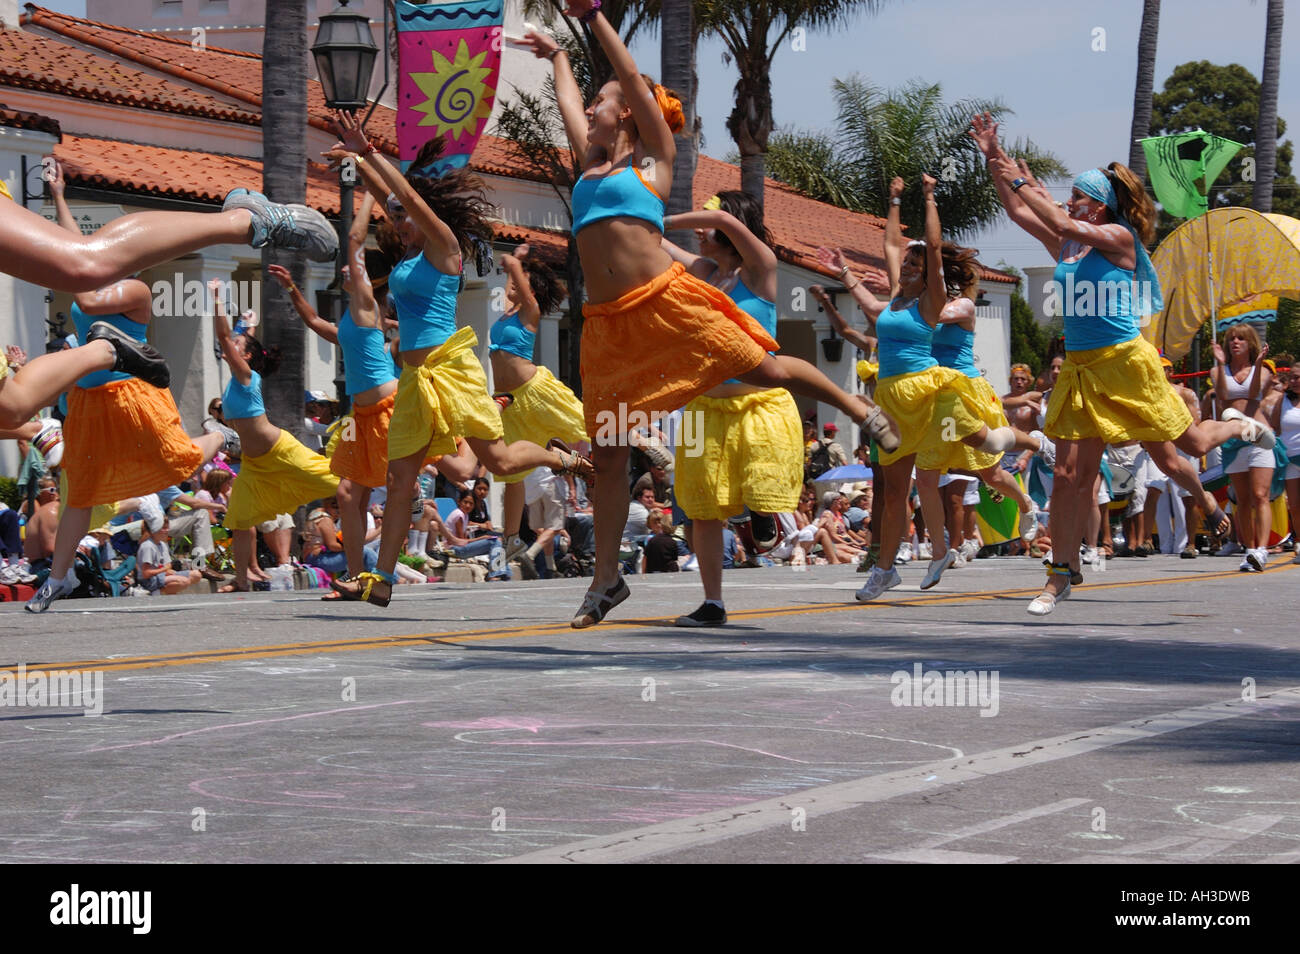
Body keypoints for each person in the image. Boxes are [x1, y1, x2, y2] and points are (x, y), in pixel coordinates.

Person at [521, 7, 898, 629]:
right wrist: (558, 56)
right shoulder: (586, 168)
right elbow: (570, 102)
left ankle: (860, 409)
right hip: (608, 328)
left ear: (632, 117)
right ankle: (606, 579)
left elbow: (633, 79)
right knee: (610, 455)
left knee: (766, 367)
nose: (590, 111)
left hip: (667, 305)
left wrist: (593, 20)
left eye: (601, 102)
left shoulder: (654, 166)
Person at [970, 112, 1272, 614]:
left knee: (1189, 445)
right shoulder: (1070, 245)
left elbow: (1056, 217)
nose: (1070, 206)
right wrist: (993, 162)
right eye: (1069, 199)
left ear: (1101, 204)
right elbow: (1025, 216)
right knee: (1070, 476)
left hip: (1127, 363)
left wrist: (1022, 179)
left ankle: (1236, 427)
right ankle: (1061, 573)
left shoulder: (1118, 239)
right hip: (1082, 370)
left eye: (1079, 199)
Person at [322, 114, 592, 607]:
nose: (398, 220)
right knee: (399, 477)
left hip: (453, 368)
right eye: (395, 215)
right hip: (413, 378)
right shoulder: (405, 254)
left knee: (497, 462)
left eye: (404, 215)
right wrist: (362, 163)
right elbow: (398, 202)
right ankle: (381, 579)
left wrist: (371, 154)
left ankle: (562, 457)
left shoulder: (445, 247)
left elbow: (414, 203)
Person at [25, 165, 226, 613]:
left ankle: (221, 435)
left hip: (132, 395)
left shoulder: (136, 290)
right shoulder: (93, 273)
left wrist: (65, 261)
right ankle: (58, 579)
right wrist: (59, 196)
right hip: (89, 402)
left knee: (180, 461)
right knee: (79, 493)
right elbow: (77, 254)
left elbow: (86, 294)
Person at [850, 174, 1029, 602]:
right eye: (906, 266)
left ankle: (1027, 439)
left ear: (928, 274)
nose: (908, 266)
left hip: (931, 392)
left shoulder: (934, 300)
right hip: (892, 398)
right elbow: (892, 246)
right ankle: (886, 570)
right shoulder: (895, 296)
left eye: (916, 265)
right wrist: (893, 201)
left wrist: (929, 198)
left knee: (984, 448)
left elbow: (930, 248)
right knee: (895, 491)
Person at [658, 191, 804, 625]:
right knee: (701, 506)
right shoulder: (704, 272)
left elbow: (722, 219)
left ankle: (762, 514)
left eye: (707, 224)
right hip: (704, 408)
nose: (700, 231)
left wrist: (673, 218)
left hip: (757, 404)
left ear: (727, 226)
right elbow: (658, 244)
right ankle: (713, 603)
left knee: (760, 483)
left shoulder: (760, 271)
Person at [0, 153, 336, 294]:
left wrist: (103, 354)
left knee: (85, 264)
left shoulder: (135, 295)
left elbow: (83, 268)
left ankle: (246, 221)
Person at [209, 279, 340, 592]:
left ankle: (394, 481)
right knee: (239, 519)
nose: (232, 347)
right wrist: (249, 326)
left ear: (248, 358)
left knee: (338, 480)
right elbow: (239, 338)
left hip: (281, 450)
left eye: (240, 348)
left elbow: (225, 337)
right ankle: (242, 580)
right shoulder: (237, 375)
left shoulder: (245, 376)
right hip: (255, 464)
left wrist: (217, 299)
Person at [488, 244, 590, 568]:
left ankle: (643, 439)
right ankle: (511, 539)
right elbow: (510, 286)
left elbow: (520, 285)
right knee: (512, 472)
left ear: (533, 291)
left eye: (521, 283)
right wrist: (515, 262)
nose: (514, 287)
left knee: (587, 423)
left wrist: (516, 263)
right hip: (510, 403)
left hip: (535, 390)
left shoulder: (529, 312)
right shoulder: (507, 311)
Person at [1212, 325, 1277, 570]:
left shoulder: (1262, 371)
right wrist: (1219, 364)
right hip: (1233, 438)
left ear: (1250, 343)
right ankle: (1249, 550)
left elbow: (1253, 392)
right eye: (1231, 339)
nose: (1235, 342)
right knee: (1242, 499)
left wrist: (1258, 363)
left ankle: (1262, 549)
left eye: (1240, 339)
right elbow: (1221, 397)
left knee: (1261, 495)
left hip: (1258, 434)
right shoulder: (1218, 370)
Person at [1267, 362, 1300, 564]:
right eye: (1293, 377)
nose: (1296, 381)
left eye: (1299, 377)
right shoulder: (1282, 401)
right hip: (1290, 459)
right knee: (1295, 506)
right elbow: (1275, 428)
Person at [135, 516, 202, 596]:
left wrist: (167, 571)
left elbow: (168, 565)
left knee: (196, 575)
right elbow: (146, 573)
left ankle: (167, 593)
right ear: (154, 529)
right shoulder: (148, 546)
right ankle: (156, 593)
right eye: (163, 528)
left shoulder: (162, 544)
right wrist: (164, 570)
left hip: (161, 575)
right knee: (184, 581)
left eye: (167, 528)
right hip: (149, 581)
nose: (167, 531)